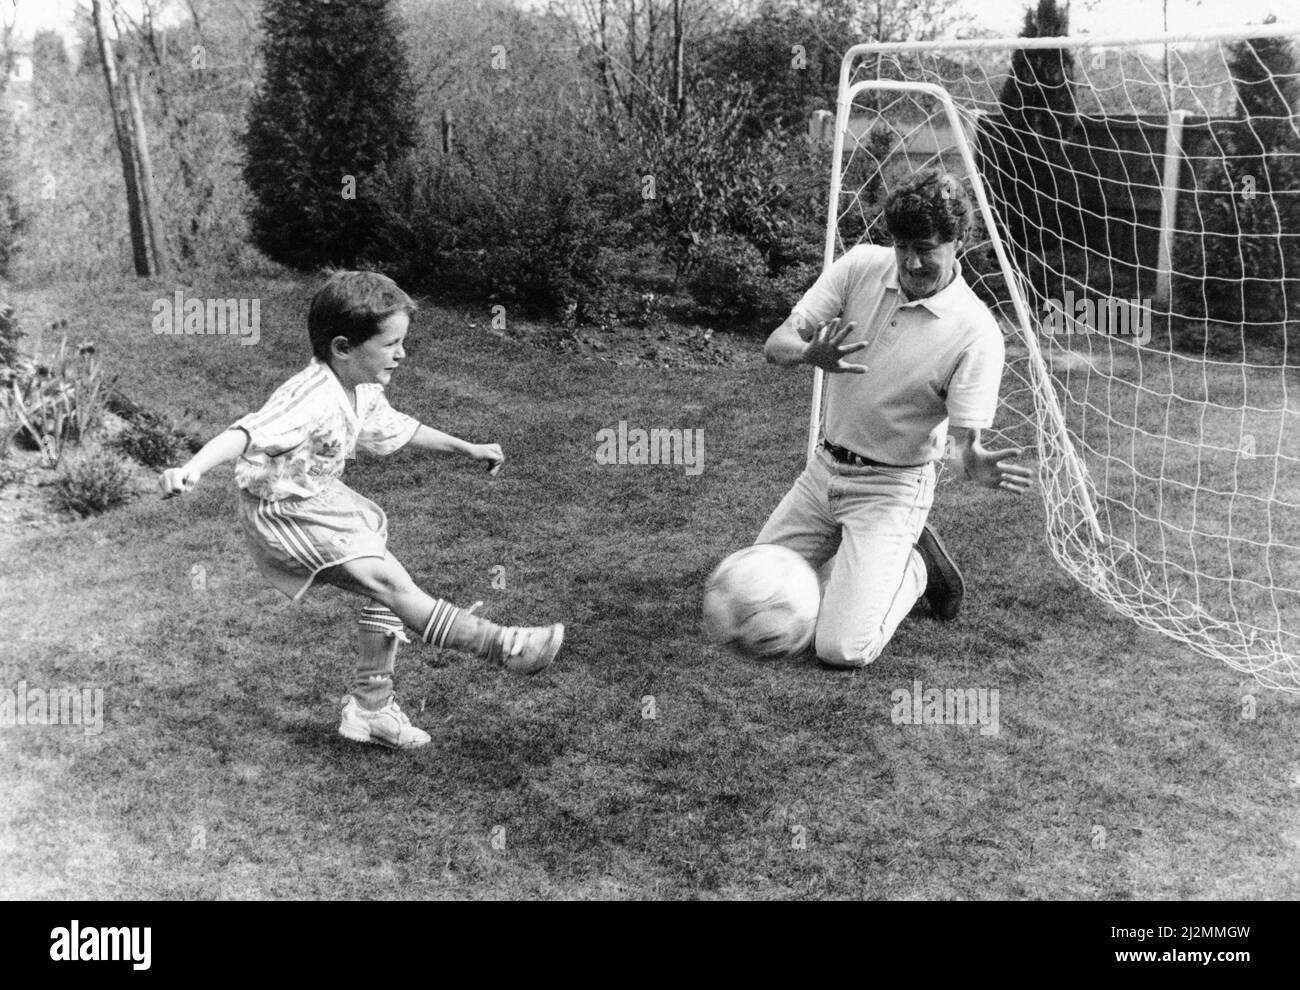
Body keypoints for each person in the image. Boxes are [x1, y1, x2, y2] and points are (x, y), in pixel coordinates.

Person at [159, 270, 563, 748]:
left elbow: (397, 427)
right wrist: (193, 467)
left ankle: (371, 708)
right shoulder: (309, 396)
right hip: (283, 514)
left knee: (388, 588)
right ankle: (503, 645)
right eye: (391, 343)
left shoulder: (362, 386)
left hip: (323, 499)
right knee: (390, 583)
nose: (402, 353)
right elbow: (246, 433)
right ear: (344, 347)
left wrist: (467, 447)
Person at [759, 168, 1032, 669]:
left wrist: (968, 461)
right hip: (822, 474)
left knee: (841, 648)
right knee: (755, 587)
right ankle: (864, 564)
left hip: (890, 489)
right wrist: (807, 355)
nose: (910, 260)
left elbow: (958, 443)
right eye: (902, 244)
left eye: (925, 247)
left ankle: (912, 567)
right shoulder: (861, 265)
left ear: (957, 242)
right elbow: (777, 344)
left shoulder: (977, 334)